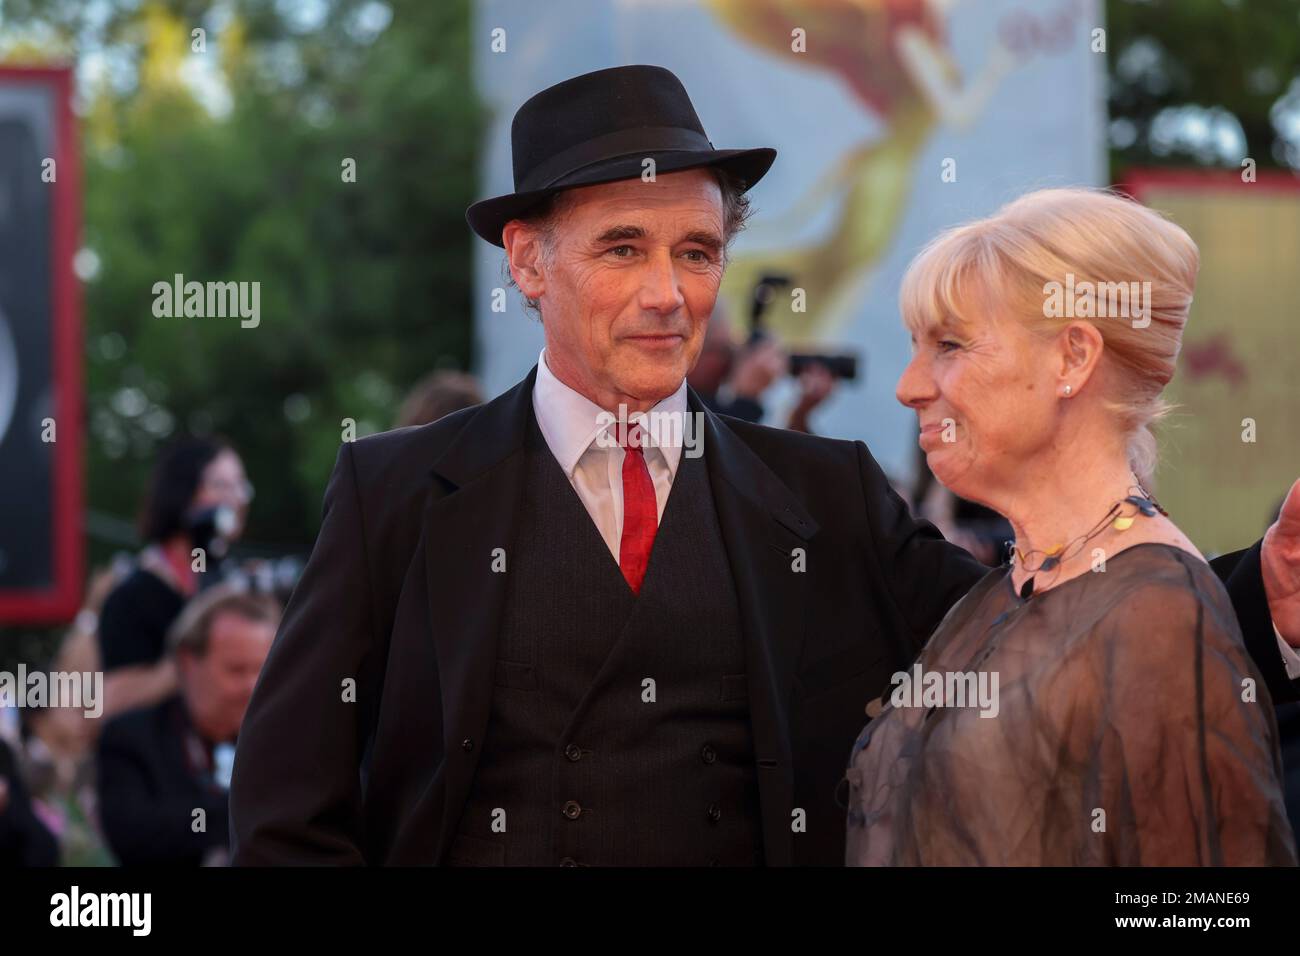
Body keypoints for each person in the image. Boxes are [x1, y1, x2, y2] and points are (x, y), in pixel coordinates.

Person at [230, 66, 1300, 867]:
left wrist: (1264, 593)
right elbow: (285, 807)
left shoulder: (820, 493)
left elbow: (1052, 624)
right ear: (526, 259)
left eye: (695, 252)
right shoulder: (398, 495)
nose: (669, 292)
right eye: (623, 247)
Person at [846, 188, 1297, 865]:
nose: (909, 385)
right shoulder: (1000, 594)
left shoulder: (1158, 612)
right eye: (917, 347)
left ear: (1072, 358)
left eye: (949, 345)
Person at [97, 585, 277, 866]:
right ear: (188, 661)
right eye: (237, 670)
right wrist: (249, 811)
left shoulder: (284, 741)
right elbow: (133, 835)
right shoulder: (133, 737)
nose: (252, 686)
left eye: (262, 670)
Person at [97, 437, 252, 720]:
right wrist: (196, 659)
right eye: (221, 485)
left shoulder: (235, 583)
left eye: (241, 486)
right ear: (182, 493)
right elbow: (113, 703)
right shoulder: (135, 593)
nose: (237, 498)